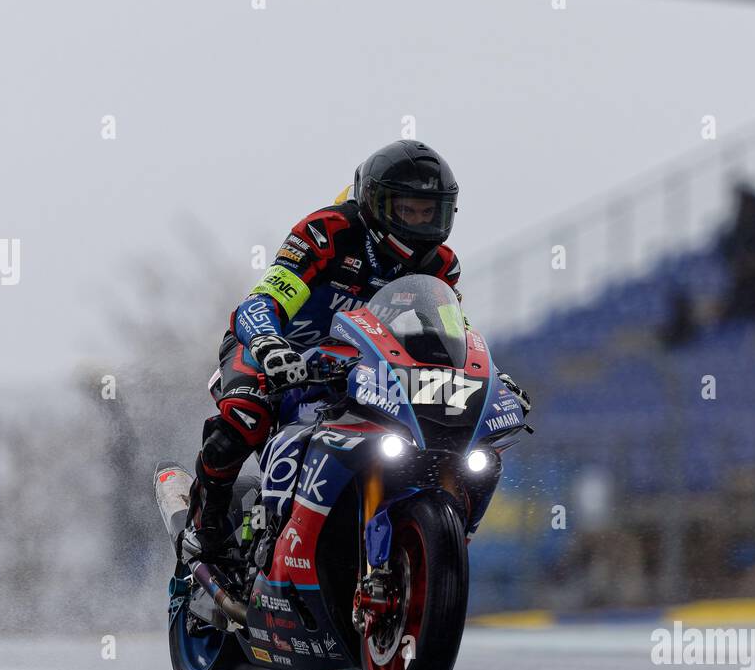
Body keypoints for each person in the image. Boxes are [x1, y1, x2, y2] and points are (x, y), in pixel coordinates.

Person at [180, 140, 529, 562]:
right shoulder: (327, 232)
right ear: (377, 203)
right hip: (278, 347)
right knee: (245, 413)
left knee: (452, 438)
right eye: (407, 209)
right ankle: (205, 531)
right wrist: (270, 343)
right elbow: (263, 300)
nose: (418, 222)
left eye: (428, 211)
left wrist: (489, 376)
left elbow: (453, 331)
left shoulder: (440, 266)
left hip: (359, 365)